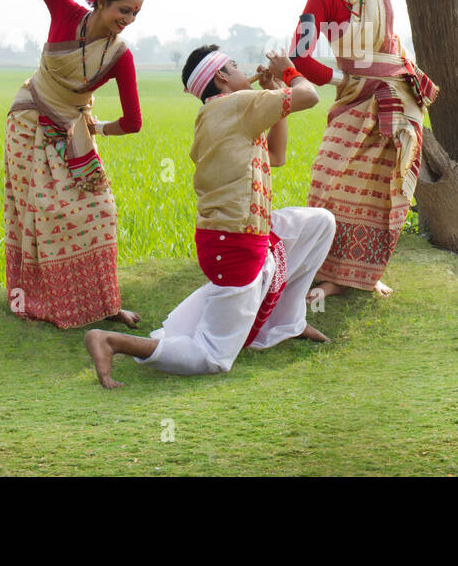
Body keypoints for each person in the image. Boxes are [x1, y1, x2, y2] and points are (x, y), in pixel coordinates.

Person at [84, 47, 333, 388]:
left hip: (236, 233)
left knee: (319, 223)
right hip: (236, 241)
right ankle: (113, 342)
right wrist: (288, 71)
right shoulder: (237, 106)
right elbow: (310, 95)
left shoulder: (221, 112)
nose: (245, 71)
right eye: (235, 66)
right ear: (222, 78)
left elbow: (276, 157)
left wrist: (275, 95)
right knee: (213, 357)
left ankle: (286, 321)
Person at [288, 0, 439, 299]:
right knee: (330, 178)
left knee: (382, 187)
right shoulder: (320, 0)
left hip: (396, 95)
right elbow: (299, 54)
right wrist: (341, 81)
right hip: (353, 96)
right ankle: (327, 273)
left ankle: (365, 274)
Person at [4, 0, 145, 330]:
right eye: (123, 10)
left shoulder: (120, 55)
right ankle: (38, 296)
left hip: (73, 130)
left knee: (100, 212)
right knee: (38, 210)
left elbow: (133, 123)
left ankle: (106, 304)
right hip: (28, 120)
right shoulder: (65, 10)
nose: (128, 21)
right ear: (100, 1)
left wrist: (95, 129)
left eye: (135, 14)